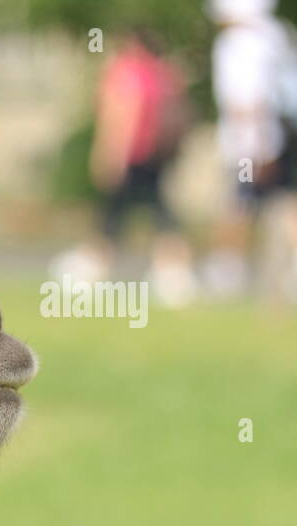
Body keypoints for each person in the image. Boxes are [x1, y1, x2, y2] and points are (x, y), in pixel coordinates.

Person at [52, 29, 197, 305]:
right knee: (158, 213)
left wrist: (112, 153)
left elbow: (123, 115)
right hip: (155, 155)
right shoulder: (161, 73)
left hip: (131, 155)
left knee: (112, 215)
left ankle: (91, 270)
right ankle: (175, 272)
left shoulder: (126, 72)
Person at [204, 0, 297, 301]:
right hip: (277, 135)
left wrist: (257, 144)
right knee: (282, 200)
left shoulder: (240, 44)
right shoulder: (275, 34)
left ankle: (227, 269)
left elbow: (248, 100)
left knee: (239, 202)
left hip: (252, 141)